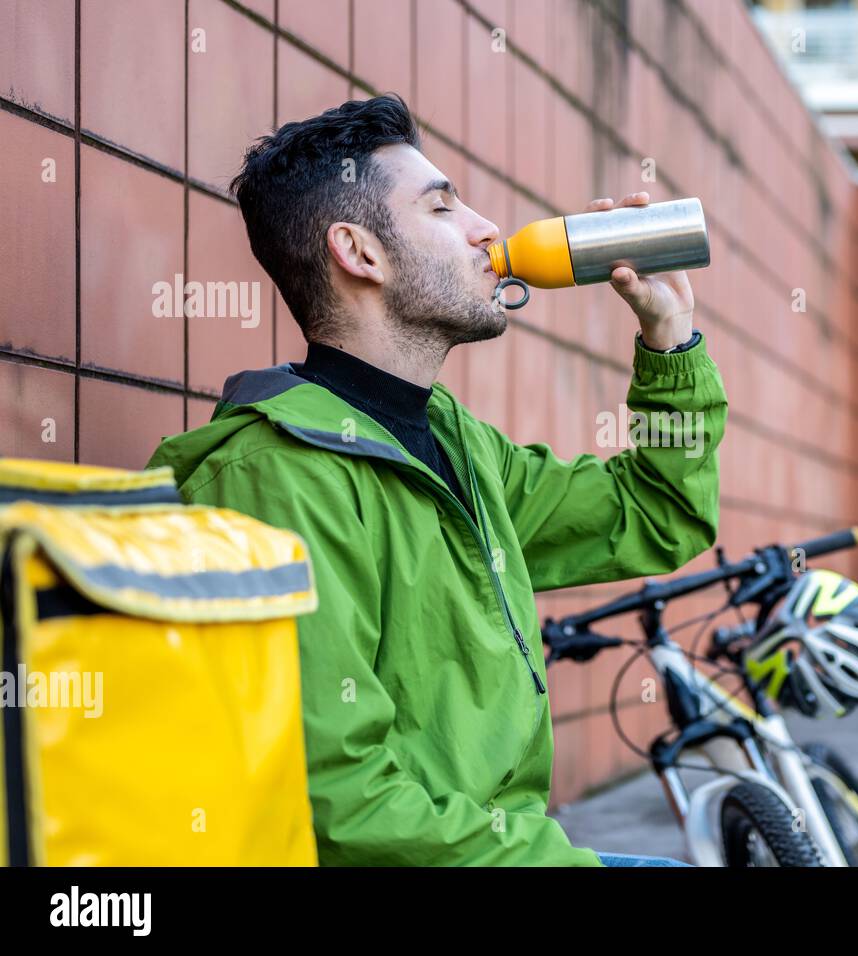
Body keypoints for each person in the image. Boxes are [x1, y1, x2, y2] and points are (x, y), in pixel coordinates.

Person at [148, 94, 724, 866]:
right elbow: (339, 800)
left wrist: (669, 337)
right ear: (360, 253)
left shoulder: (455, 446)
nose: (487, 229)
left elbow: (656, 511)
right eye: (443, 207)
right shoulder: (273, 481)